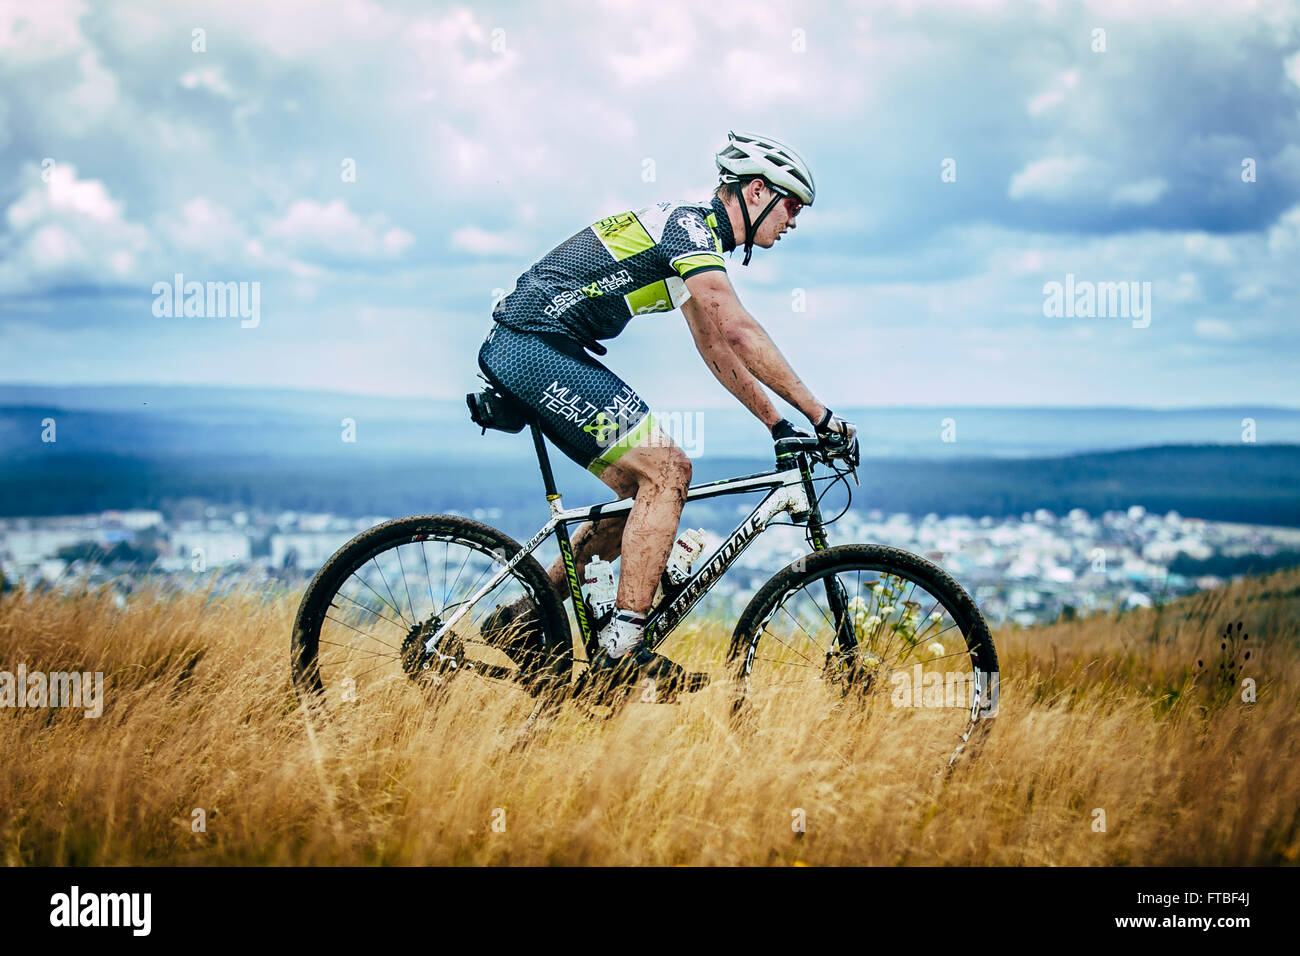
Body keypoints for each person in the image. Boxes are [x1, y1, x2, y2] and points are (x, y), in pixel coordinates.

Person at [476, 131, 858, 700]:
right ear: (757, 191)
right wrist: (822, 416)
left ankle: (525, 616)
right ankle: (624, 647)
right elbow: (738, 329)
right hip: (534, 346)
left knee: (640, 490)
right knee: (668, 470)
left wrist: (777, 424)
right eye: (792, 206)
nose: (794, 222)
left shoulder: (694, 242)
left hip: (539, 347)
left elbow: (716, 346)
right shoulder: (689, 229)